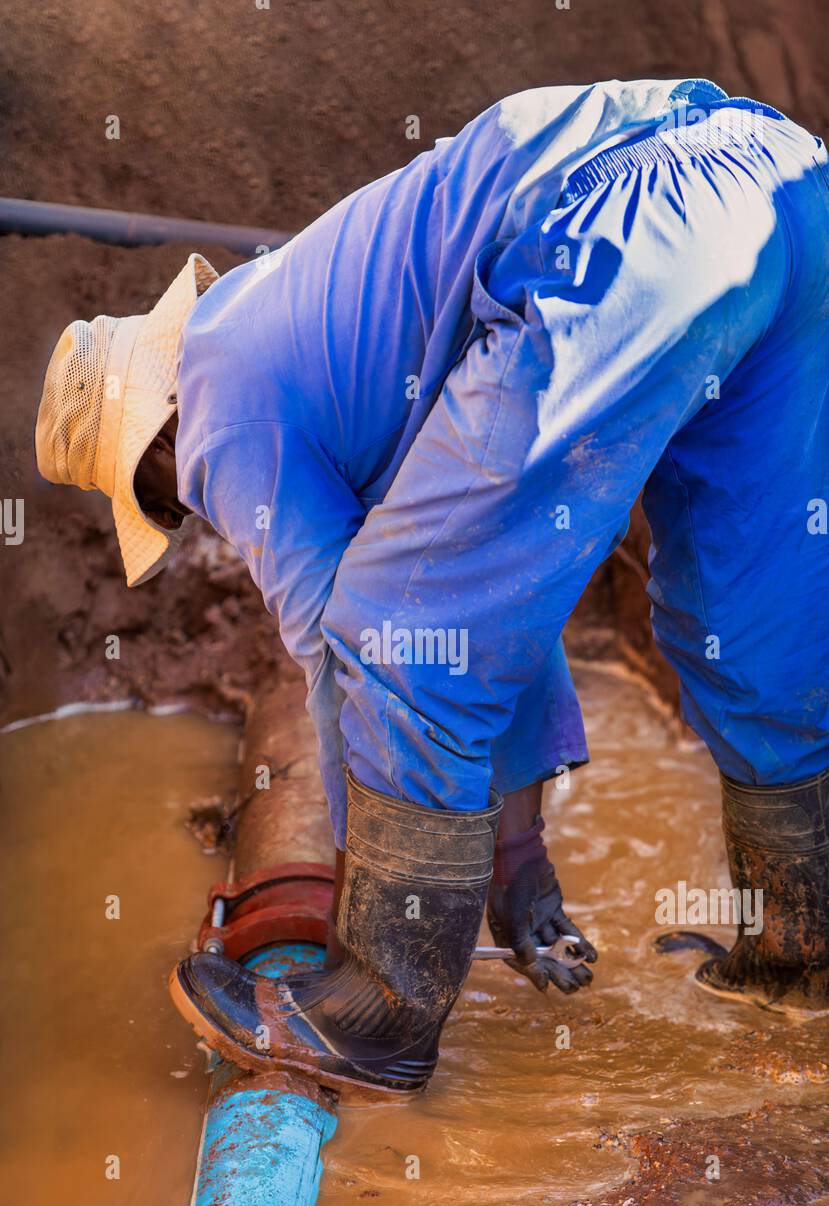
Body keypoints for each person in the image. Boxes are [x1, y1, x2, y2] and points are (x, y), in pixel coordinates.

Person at [35, 78, 829, 1099]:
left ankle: (373, 1017)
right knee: (749, 619)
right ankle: (801, 963)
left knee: (393, 635)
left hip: (627, 222)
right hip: (783, 190)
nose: (189, 509)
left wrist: (370, 898)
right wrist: (518, 850)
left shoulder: (216, 400)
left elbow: (361, 651)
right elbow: (497, 603)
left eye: (156, 491)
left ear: (154, 438)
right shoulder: (305, 340)